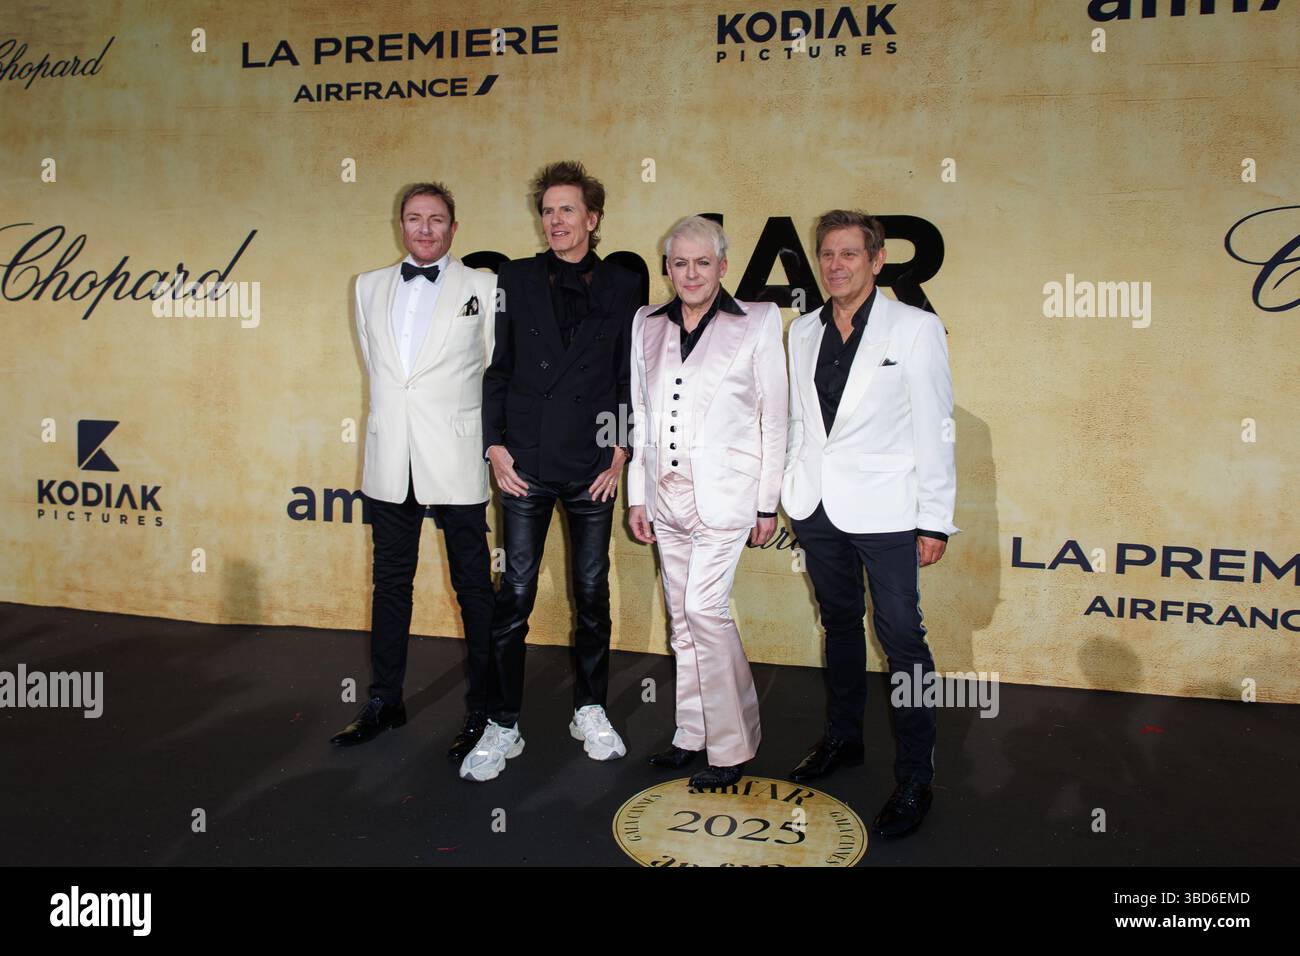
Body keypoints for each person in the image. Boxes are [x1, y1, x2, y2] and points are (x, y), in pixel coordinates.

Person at [462, 161, 640, 782]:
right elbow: (499, 369)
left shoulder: (623, 284)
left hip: (593, 464)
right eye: (549, 210)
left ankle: (589, 708)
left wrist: (620, 452)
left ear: (592, 219)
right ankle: (502, 722)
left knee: (592, 593)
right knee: (514, 595)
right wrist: (495, 448)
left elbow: (626, 376)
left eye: (569, 210)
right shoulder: (513, 277)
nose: (557, 220)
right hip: (526, 465)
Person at [781, 209, 958, 837]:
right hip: (817, 508)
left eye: (849, 254)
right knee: (838, 624)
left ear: (877, 261)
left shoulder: (914, 329)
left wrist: (934, 519)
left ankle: (915, 777)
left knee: (903, 639)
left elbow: (937, 426)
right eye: (827, 254)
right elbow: (803, 422)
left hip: (889, 511)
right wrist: (788, 488)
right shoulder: (801, 331)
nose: (836, 265)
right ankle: (844, 740)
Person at [331, 182, 500, 761]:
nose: (424, 229)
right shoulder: (368, 287)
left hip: (455, 457)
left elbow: (495, 370)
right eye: (413, 219)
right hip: (388, 460)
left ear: (455, 227)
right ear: (399, 225)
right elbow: (383, 371)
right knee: (390, 586)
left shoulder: (483, 286)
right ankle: (384, 701)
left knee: (474, 589)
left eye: (436, 220)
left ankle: (485, 711)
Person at [626, 216, 787, 789]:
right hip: (664, 497)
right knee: (681, 621)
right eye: (679, 263)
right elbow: (641, 414)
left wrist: (768, 504)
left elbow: (775, 416)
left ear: (722, 266)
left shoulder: (760, 321)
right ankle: (691, 734)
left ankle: (733, 743)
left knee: (704, 611)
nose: (690, 274)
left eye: (702, 263)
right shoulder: (645, 324)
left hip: (726, 496)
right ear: (666, 267)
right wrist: (638, 495)